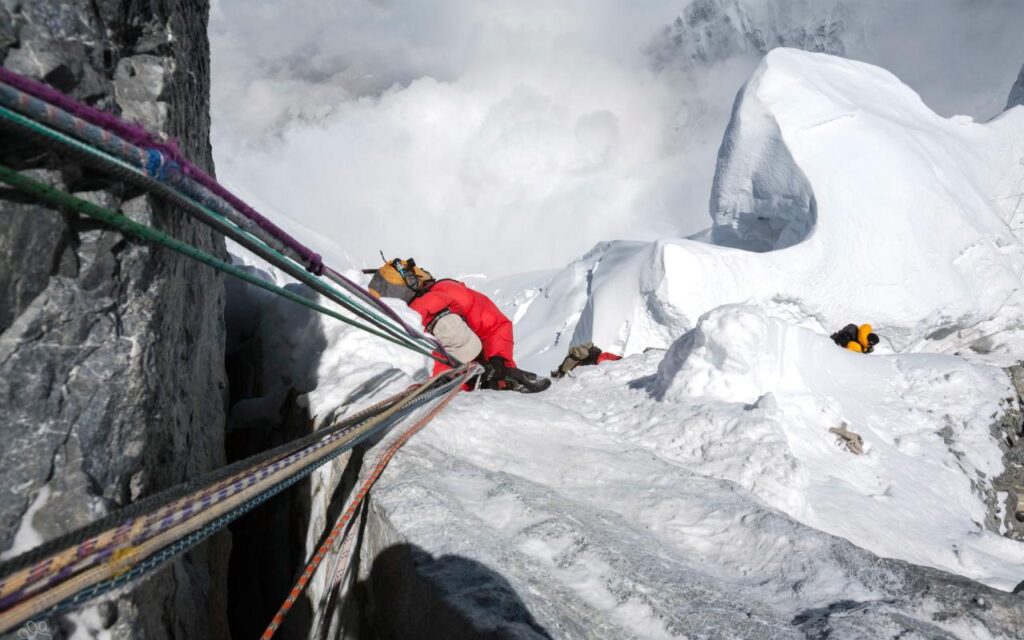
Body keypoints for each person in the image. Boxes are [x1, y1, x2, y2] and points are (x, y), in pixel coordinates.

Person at [366, 257, 551, 393]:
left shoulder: (411, 312)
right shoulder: (450, 293)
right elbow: (495, 325)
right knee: (459, 337)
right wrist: (500, 363)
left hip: (446, 378)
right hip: (460, 380)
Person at [551, 342, 622, 379]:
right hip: (587, 355)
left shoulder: (594, 355)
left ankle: (559, 373)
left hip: (588, 355)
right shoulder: (594, 355)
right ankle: (559, 373)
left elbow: (606, 355)